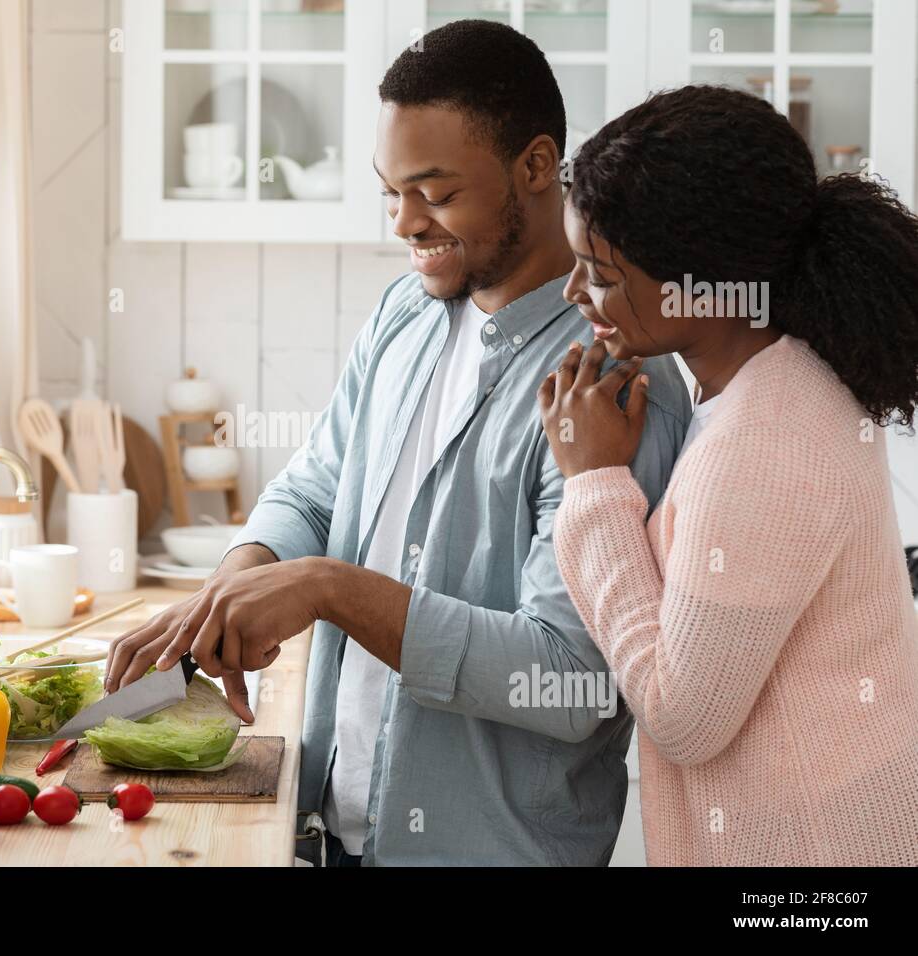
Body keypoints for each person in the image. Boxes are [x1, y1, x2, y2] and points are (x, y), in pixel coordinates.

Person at [105, 21, 692, 866]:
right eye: (391, 192)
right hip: (327, 832)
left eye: (436, 193)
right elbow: (315, 488)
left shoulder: (609, 384)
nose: (406, 224)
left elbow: (571, 681)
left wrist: (327, 589)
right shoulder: (404, 314)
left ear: (535, 167)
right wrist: (234, 586)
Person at [539, 84, 918, 865]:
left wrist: (594, 483)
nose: (578, 294)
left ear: (703, 282)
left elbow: (683, 716)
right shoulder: (774, 376)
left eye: (601, 274)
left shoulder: (765, 441)